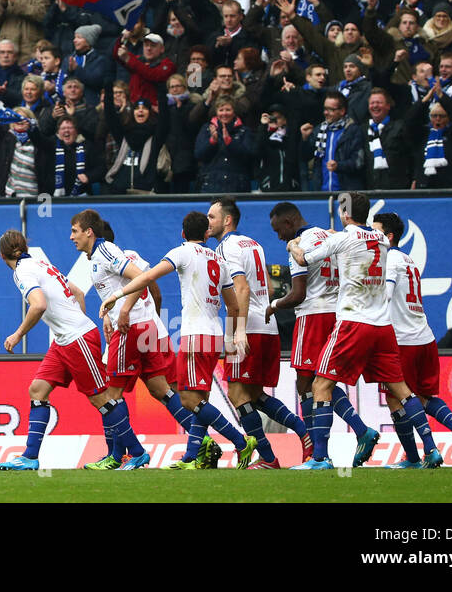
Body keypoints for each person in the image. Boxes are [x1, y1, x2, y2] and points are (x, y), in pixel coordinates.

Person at [286, 192, 442, 470]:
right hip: (382, 326)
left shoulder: (342, 239)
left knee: (321, 385)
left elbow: (303, 260)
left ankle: (320, 459)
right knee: (403, 390)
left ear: (345, 213)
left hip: (352, 323)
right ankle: (431, 451)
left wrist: (293, 244)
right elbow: (356, 236)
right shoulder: (382, 240)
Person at [100, 211, 258, 470]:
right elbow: (232, 305)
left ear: (183, 234)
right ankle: (194, 457)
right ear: (207, 233)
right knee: (200, 399)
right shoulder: (219, 259)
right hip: (214, 335)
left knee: (188, 400)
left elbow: (148, 277)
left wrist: (117, 294)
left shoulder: (182, 252)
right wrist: (231, 336)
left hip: (195, 335)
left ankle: (241, 442)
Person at [0, 230, 142, 473]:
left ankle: (136, 452)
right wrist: (77, 321)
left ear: (2, 256)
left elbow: (39, 305)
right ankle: (30, 457)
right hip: (66, 340)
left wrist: (19, 333)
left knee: (101, 398)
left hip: (76, 338)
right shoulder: (40, 263)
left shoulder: (22, 271)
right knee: (37, 390)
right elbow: (77, 292)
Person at [69, 210, 198, 468]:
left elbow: (142, 278)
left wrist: (125, 310)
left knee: (110, 394)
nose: (72, 237)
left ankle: (121, 455)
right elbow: (150, 288)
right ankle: (201, 441)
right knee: (160, 389)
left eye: (75, 231)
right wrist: (114, 312)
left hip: (130, 329)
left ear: (89, 232)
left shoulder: (107, 253)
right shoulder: (100, 258)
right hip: (147, 327)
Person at [266, 201, 377, 456]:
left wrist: (273, 305)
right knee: (322, 381)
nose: (279, 236)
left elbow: (298, 294)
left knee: (305, 385)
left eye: (277, 230)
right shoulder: (330, 235)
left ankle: (317, 453)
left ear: (288, 223)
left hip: (313, 316)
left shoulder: (299, 244)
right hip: (337, 314)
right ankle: (358, 432)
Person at [208, 197, 310, 468]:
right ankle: (303, 432)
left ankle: (268, 457)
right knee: (253, 395)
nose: (208, 222)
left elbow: (241, 288)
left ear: (227, 220)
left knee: (238, 395)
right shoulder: (254, 244)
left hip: (246, 325)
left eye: (212, 217)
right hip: (267, 324)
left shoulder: (227, 247)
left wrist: (238, 330)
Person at [374, 212, 452, 469]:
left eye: (376, 232)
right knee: (420, 397)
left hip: (402, 340)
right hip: (424, 336)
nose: (371, 237)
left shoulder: (388, 260)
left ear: (388, 236)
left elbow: (385, 296)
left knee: (397, 398)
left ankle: (416, 455)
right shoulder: (408, 260)